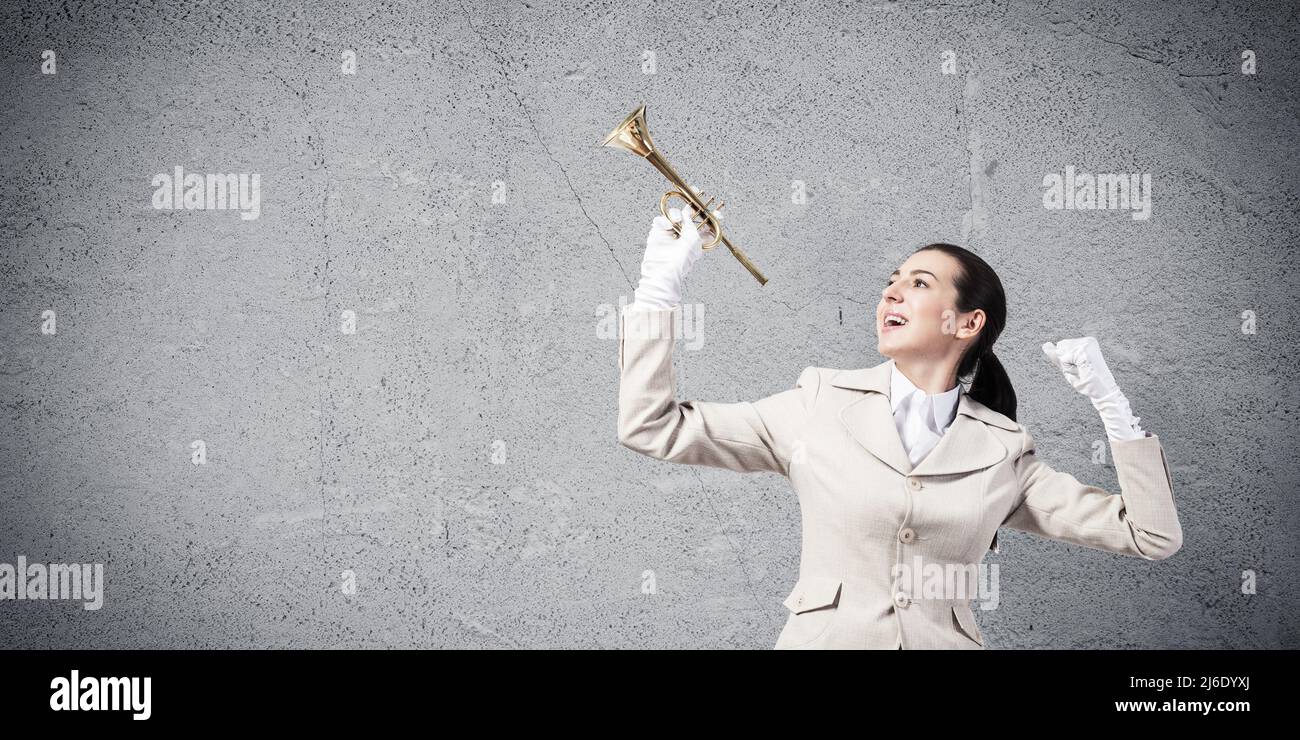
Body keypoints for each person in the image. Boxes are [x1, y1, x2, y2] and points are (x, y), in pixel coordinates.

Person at [616, 205, 1183, 649]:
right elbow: (652, 426)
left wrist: (1113, 407)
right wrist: (658, 289)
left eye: (919, 283)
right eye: (893, 281)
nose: (891, 291)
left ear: (967, 322)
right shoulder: (818, 403)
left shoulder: (1004, 451)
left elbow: (1150, 536)